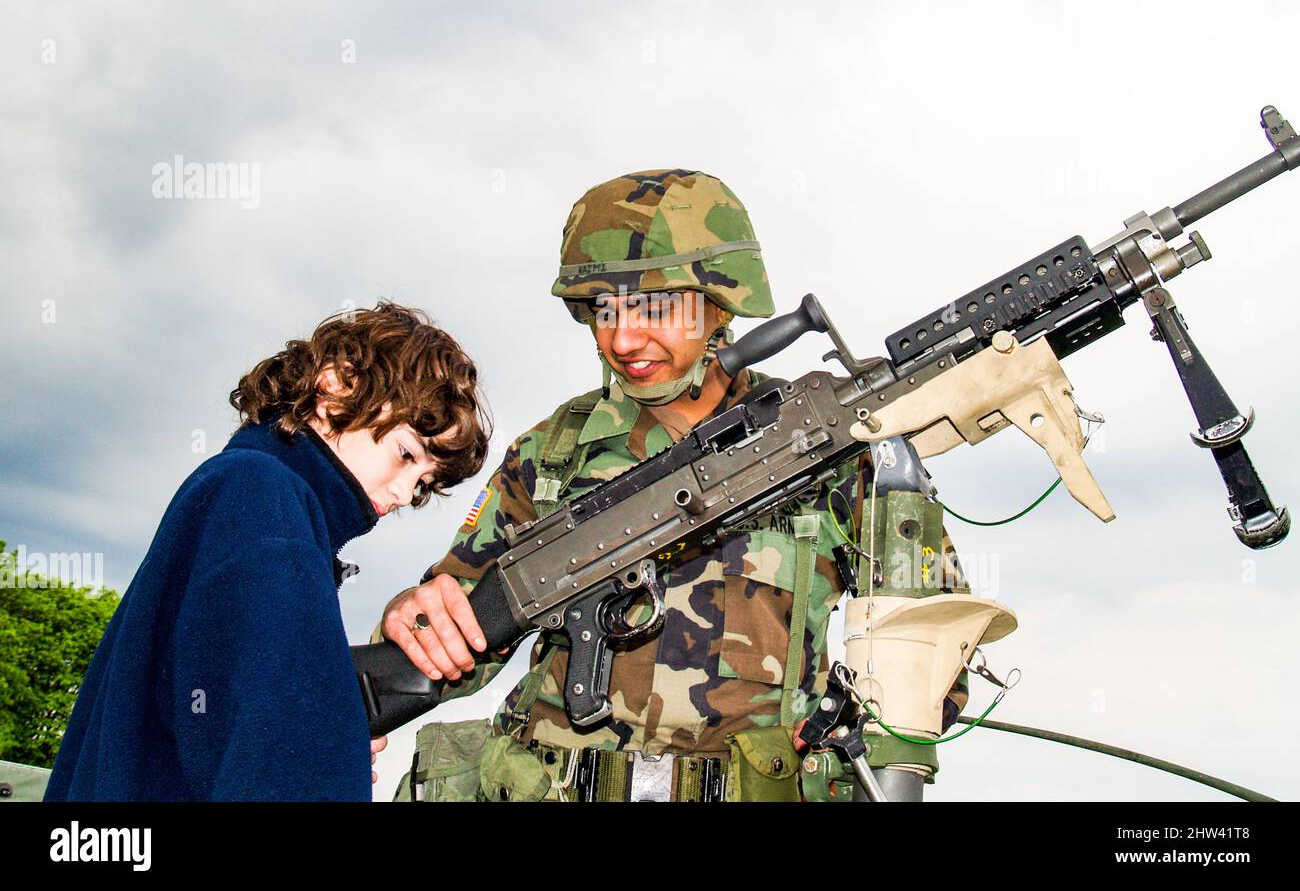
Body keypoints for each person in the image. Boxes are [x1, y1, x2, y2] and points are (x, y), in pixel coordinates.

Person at [378, 171, 970, 801]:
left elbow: (936, 647)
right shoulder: (549, 456)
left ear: (721, 305)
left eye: (655, 308)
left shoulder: (824, 447)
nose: (624, 339)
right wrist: (405, 621)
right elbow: (457, 634)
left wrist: (837, 732)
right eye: (605, 310)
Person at [44, 302, 490, 801]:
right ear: (337, 385)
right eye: (406, 454)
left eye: (425, 481)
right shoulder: (263, 497)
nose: (407, 494)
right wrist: (313, 759)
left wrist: (327, 736)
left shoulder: (244, 489)